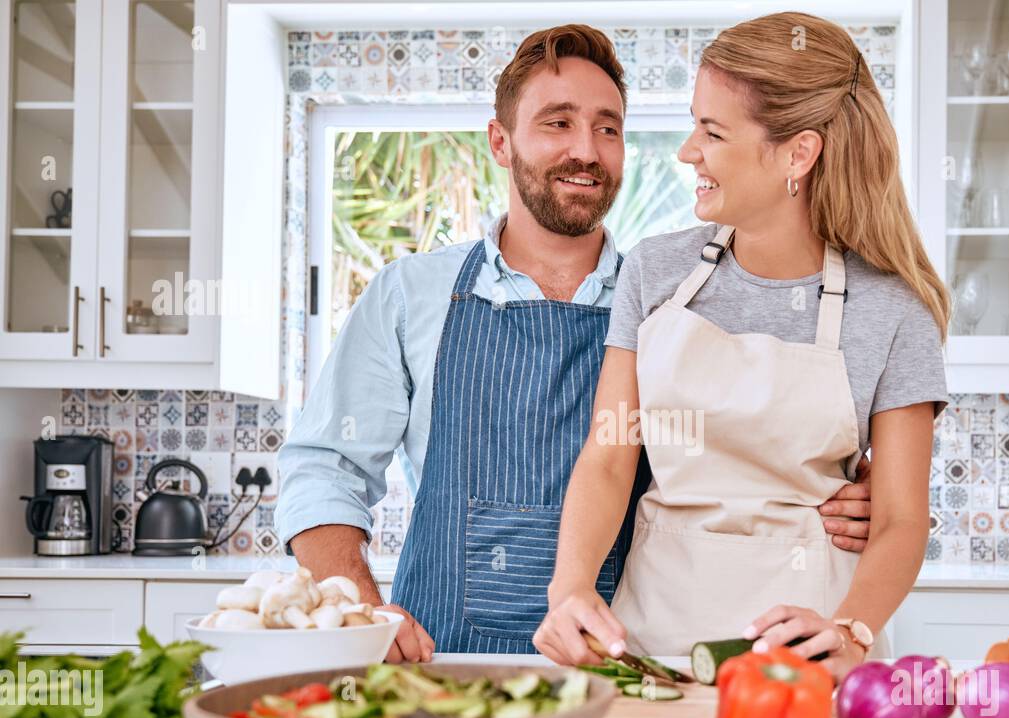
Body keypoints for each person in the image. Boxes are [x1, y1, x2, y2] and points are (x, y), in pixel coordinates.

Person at [275, 24, 874, 660]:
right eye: (557, 123)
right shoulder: (409, 294)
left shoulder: (679, 303)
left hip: (630, 666)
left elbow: (752, 440)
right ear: (500, 143)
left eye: (608, 128)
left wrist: (842, 485)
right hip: (442, 666)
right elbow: (325, 469)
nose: (586, 150)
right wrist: (361, 608)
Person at [534, 12, 950, 681]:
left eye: (712, 130)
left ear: (798, 154)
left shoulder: (893, 311)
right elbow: (611, 454)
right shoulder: (655, 273)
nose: (686, 150)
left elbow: (903, 519)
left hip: (809, 657)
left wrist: (851, 631)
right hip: (649, 643)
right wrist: (570, 588)